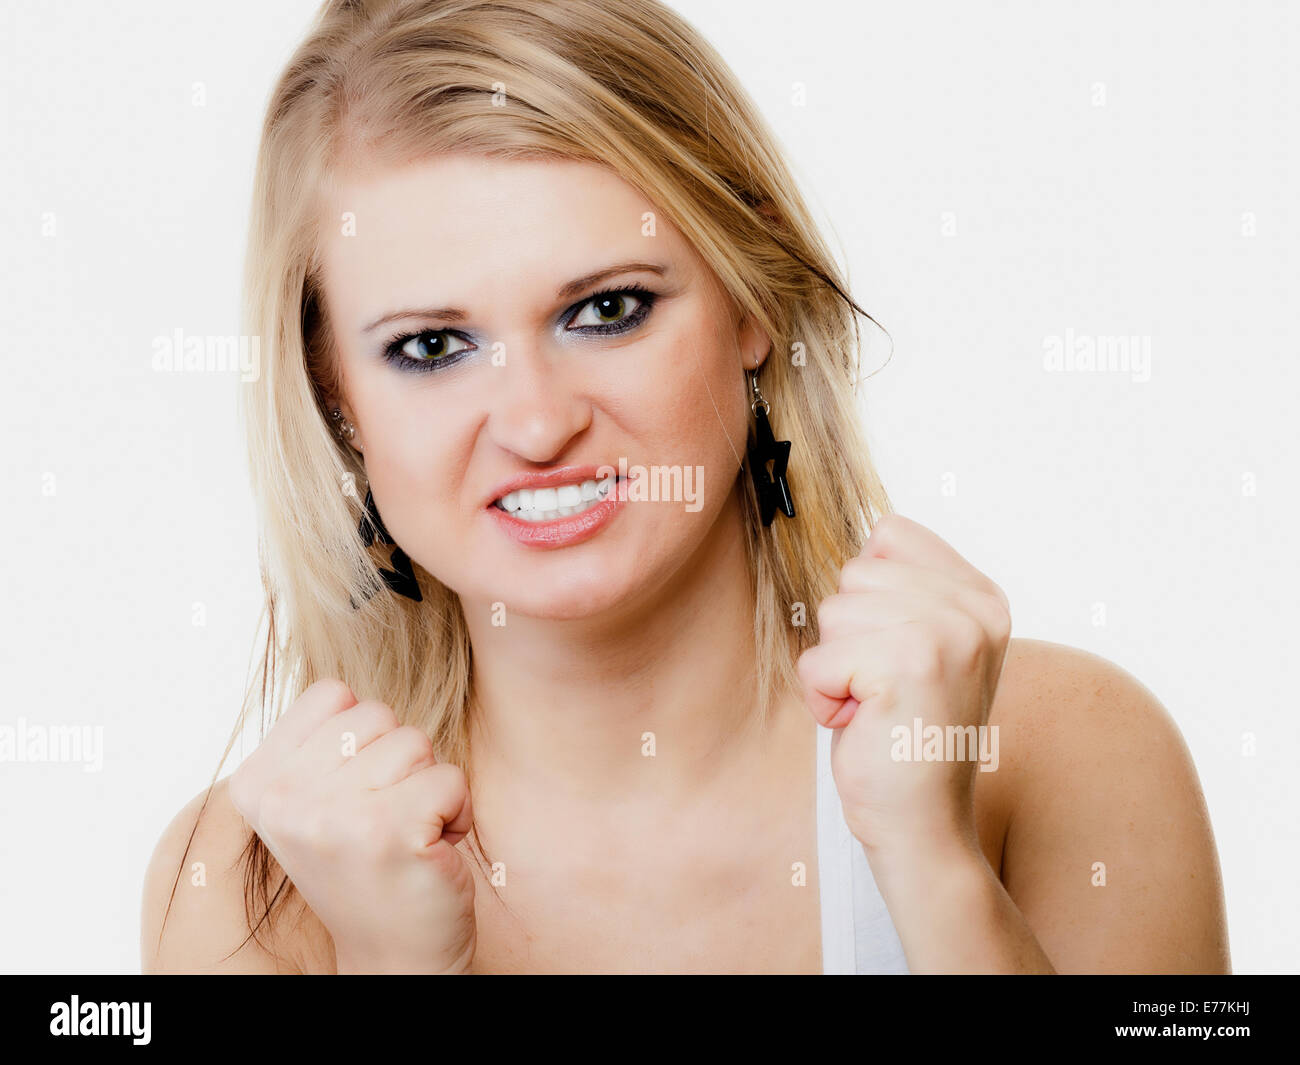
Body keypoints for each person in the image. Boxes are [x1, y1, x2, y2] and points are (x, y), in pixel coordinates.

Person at [141, 0, 1229, 974]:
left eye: (606, 310)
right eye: (431, 347)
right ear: (336, 398)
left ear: (750, 297)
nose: (535, 422)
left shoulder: (1062, 751)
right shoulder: (251, 882)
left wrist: (933, 869)